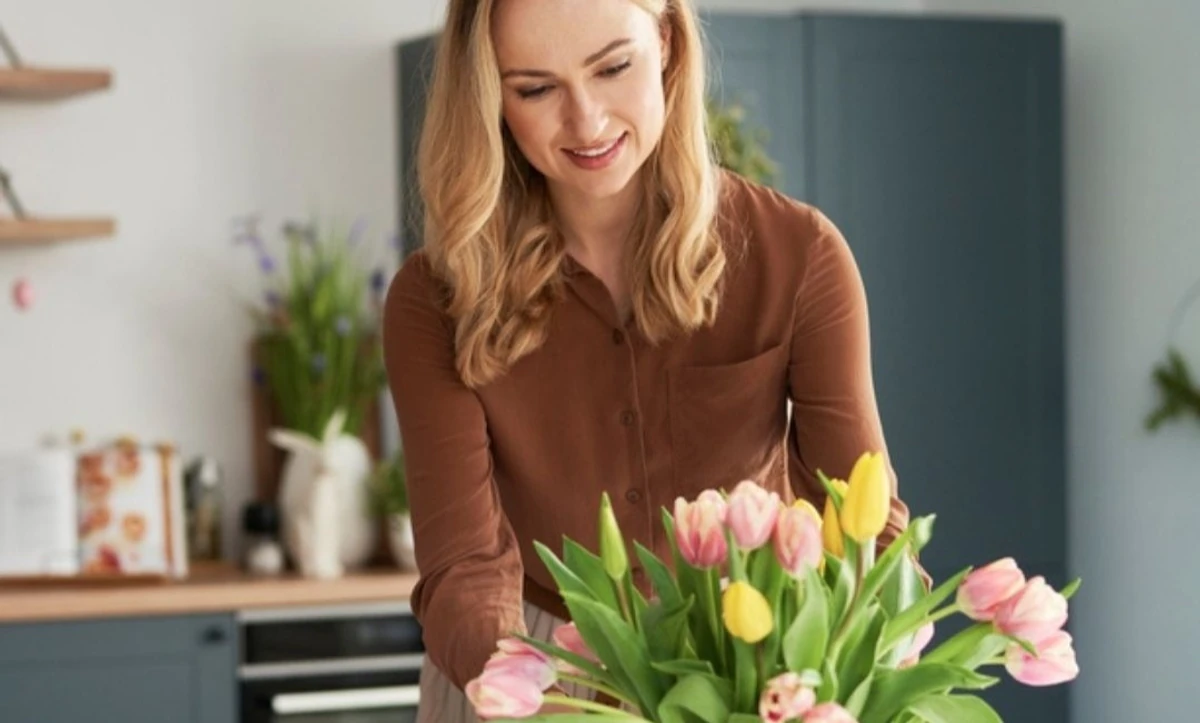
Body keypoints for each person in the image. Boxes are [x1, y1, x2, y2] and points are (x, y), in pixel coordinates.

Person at [382, 0, 924, 720]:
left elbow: (861, 522)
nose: (587, 121)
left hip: (741, 659)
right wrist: (529, 695)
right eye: (536, 88)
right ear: (489, 94)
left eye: (613, 67)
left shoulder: (799, 256)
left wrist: (879, 639)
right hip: (528, 667)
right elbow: (464, 568)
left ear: (666, 43)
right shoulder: (434, 300)